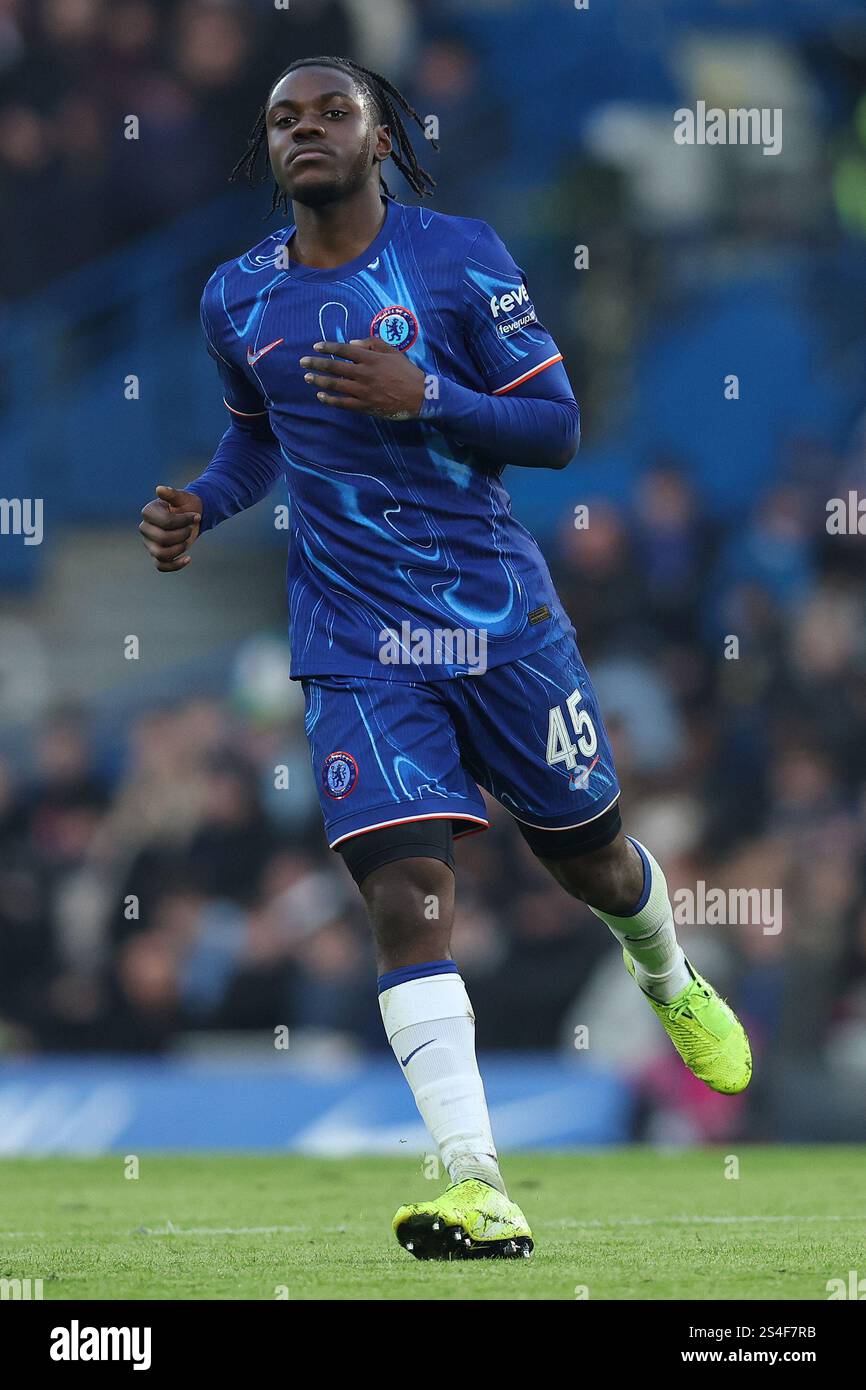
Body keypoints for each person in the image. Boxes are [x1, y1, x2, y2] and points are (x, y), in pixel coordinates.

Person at [139, 55, 751, 1261]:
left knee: (596, 865)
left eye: (331, 112)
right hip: (354, 646)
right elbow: (260, 436)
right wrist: (206, 503)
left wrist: (424, 395)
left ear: (380, 138)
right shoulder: (237, 297)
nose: (303, 129)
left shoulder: (455, 254)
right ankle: (475, 1180)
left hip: (498, 628)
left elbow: (556, 425)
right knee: (405, 898)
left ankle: (666, 974)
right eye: (281, 119)